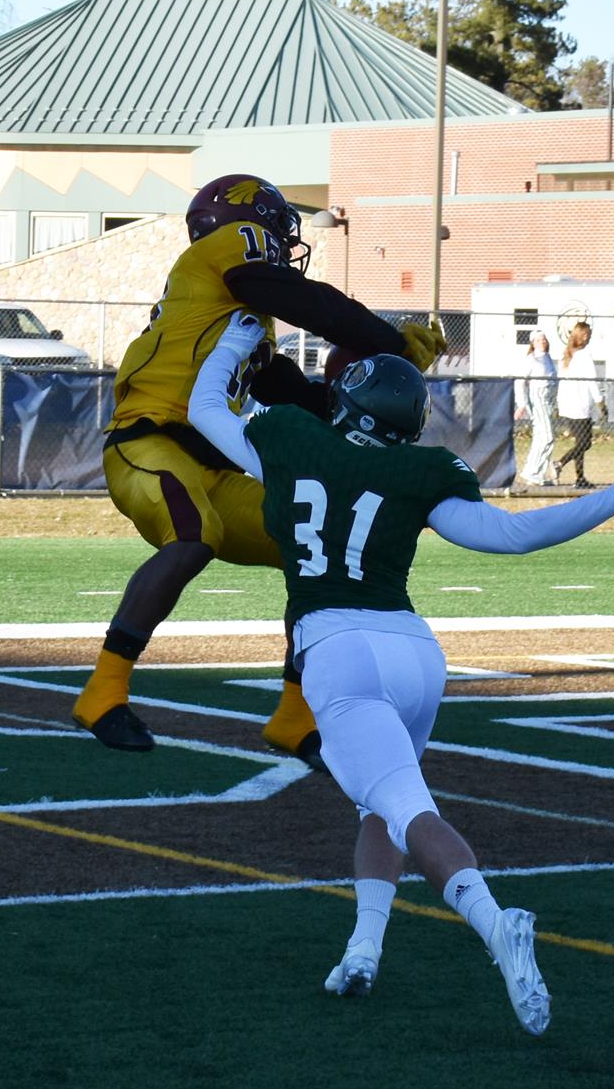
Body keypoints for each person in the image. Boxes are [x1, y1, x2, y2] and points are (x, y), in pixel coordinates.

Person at [187, 311, 614, 1034]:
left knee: (412, 814)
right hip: (415, 653)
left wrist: (235, 343)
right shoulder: (423, 469)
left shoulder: (291, 439)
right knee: (381, 809)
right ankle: (363, 950)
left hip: (338, 651)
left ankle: (493, 922)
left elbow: (203, 407)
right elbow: (514, 536)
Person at [71, 173, 447, 764]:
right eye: (277, 227)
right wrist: (387, 339)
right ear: (246, 220)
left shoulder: (236, 311)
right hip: (150, 441)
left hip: (212, 465)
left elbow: (286, 388)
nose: (282, 242)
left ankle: (294, 717)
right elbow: (309, 302)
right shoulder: (228, 251)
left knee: (313, 544)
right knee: (194, 538)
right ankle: (103, 692)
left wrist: (363, 389)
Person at [553, 320, 605, 489]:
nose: (588, 339)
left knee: (579, 443)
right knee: (585, 443)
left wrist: (559, 404)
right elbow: (591, 382)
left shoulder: (566, 355)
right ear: (581, 336)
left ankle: (580, 478)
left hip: (567, 405)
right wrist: (601, 403)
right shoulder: (584, 355)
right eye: (586, 335)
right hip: (580, 405)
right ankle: (560, 463)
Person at [513, 328, 557, 488]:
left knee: (542, 438)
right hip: (537, 399)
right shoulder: (531, 359)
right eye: (538, 340)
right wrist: (522, 404)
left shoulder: (548, 358)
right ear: (533, 343)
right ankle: (532, 473)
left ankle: (535, 474)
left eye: (544, 339)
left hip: (548, 401)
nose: (542, 342)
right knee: (546, 437)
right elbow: (520, 382)